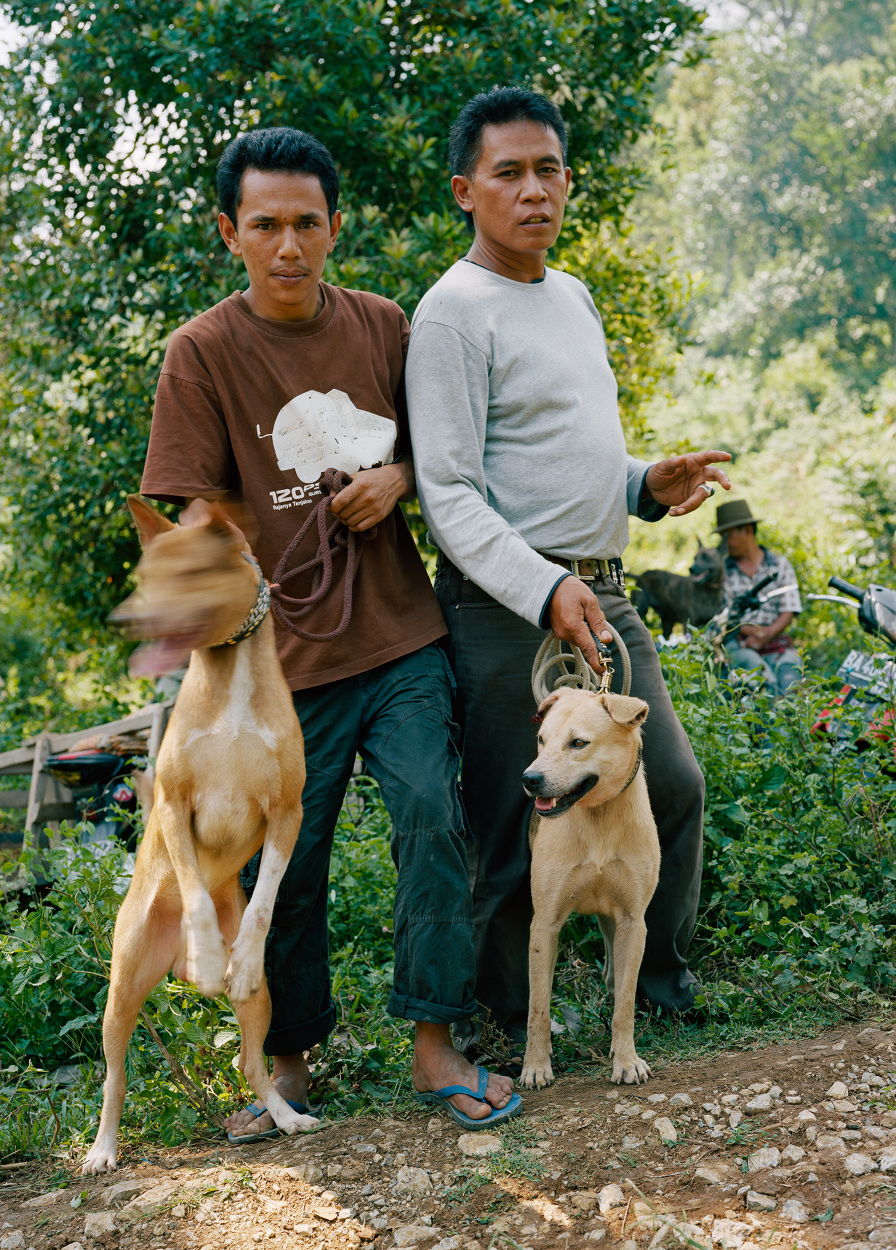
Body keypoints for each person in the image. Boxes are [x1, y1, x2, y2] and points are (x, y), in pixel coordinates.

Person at [139, 125, 517, 1133]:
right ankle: (289, 1055)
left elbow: (446, 457)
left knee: (433, 816)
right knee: (284, 864)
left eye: (307, 223)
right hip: (276, 664)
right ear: (231, 232)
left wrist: (395, 478)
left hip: (398, 635)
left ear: (334, 226)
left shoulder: (387, 326)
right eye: (265, 224)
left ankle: (436, 1040)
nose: (289, 245)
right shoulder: (202, 353)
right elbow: (188, 511)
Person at [405, 86, 732, 1056]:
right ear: (465, 190)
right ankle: (516, 1025)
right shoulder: (452, 314)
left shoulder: (573, 293)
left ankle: (659, 977)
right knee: (517, 817)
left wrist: (642, 485)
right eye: (507, 172)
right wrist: (541, 587)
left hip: (605, 592)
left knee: (669, 783)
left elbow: (557, 451)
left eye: (547, 168)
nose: (532, 189)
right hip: (510, 607)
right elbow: (450, 493)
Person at [716, 499, 802, 694]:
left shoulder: (779, 565)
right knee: (763, 684)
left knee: (791, 681)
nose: (724, 544)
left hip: (776, 642)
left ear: (746, 530)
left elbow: (789, 609)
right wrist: (750, 632)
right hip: (739, 643)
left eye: (727, 536)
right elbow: (724, 616)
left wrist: (767, 633)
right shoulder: (723, 572)